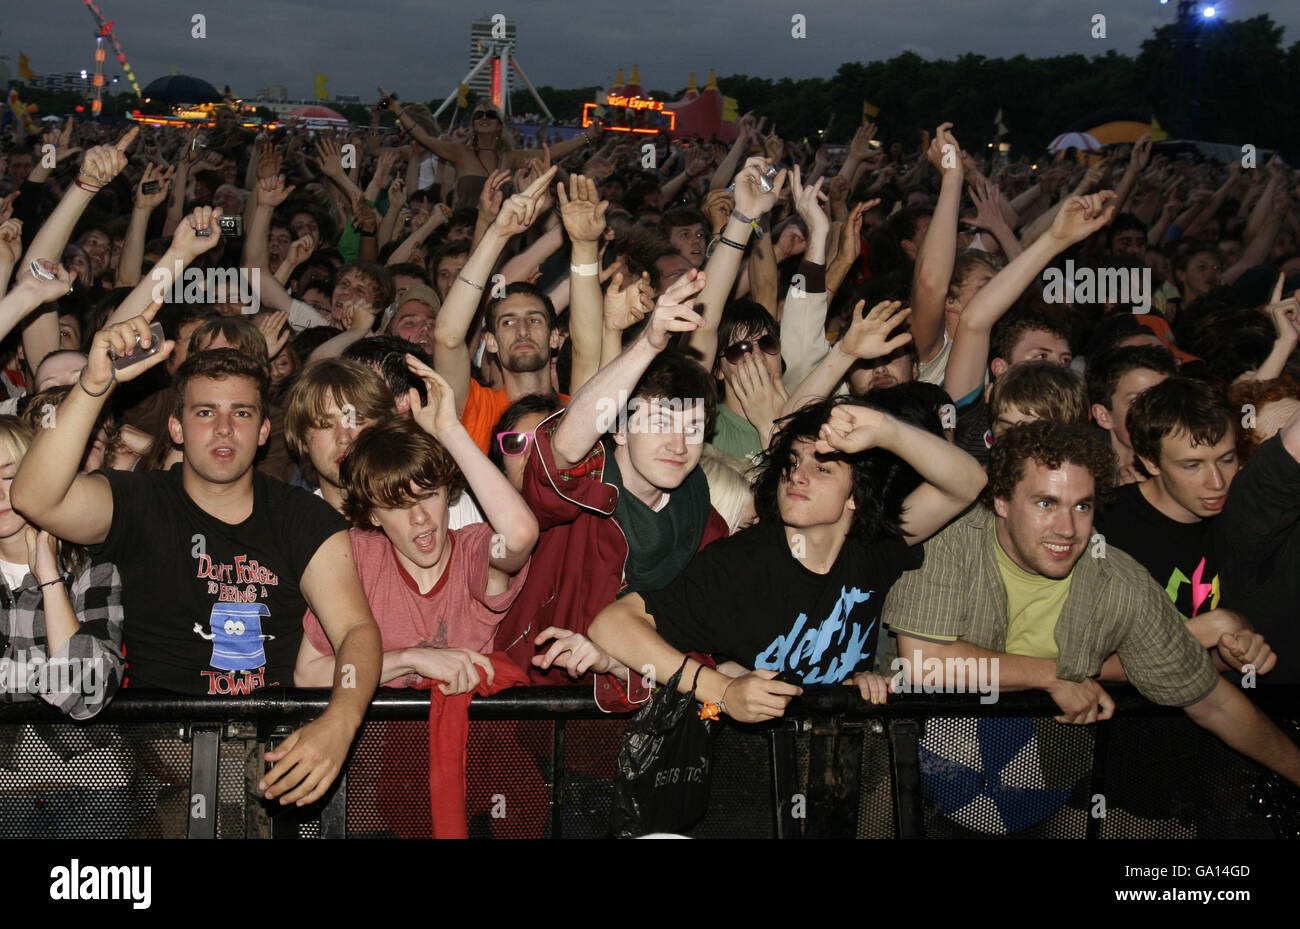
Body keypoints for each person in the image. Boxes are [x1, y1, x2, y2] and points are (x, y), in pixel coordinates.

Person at [12, 300, 381, 806]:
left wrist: (340, 722)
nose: (224, 429)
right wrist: (94, 384)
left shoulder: (303, 517)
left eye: (241, 413)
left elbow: (356, 630)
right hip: (163, 766)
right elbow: (34, 497)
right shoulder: (138, 501)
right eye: (205, 412)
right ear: (177, 428)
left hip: (271, 760)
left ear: (264, 430)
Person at [881, 421, 1300, 786]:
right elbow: (924, 664)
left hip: (1044, 781)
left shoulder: (1117, 580)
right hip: (903, 768)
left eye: (1082, 506)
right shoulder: (950, 541)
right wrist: (1052, 676)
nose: (1067, 528)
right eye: (1046, 503)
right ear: (1002, 500)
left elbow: (1213, 702)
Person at [583, 395, 986, 715]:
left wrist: (887, 431)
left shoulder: (872, 550)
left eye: (823, 468)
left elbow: (968, 483)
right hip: (752, 776)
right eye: (792, 462)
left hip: (835, 768)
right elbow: (612, 626)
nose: (798, 476)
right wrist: (722, 690)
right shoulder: (740, 563)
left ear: (857, 497)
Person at [494, 271, 729, 698]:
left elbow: (697, 653)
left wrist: (617, 664)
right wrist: (649, 342)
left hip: (630, 725)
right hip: (530, 711)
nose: (679, 444)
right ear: (619, 428)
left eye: (693, 428)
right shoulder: (581, 489)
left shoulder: (705, 524)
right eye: (661, 422)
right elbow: (563, 449)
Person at [295, 359, 536, 692]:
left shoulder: (473, 552)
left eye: (429, 494)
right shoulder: (359, 558)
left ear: (447, 494)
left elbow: (521, 536)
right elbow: (309, 675)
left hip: (468, 725)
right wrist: (409, 660)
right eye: (397, 504)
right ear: (373, 515)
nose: (419, 516)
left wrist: (450, 430)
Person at [1085, 344, 1177, 483]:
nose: (1157, 410)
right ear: (1103, 416)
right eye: (1137, 401)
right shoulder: (1081, 470)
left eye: (1165, 399)